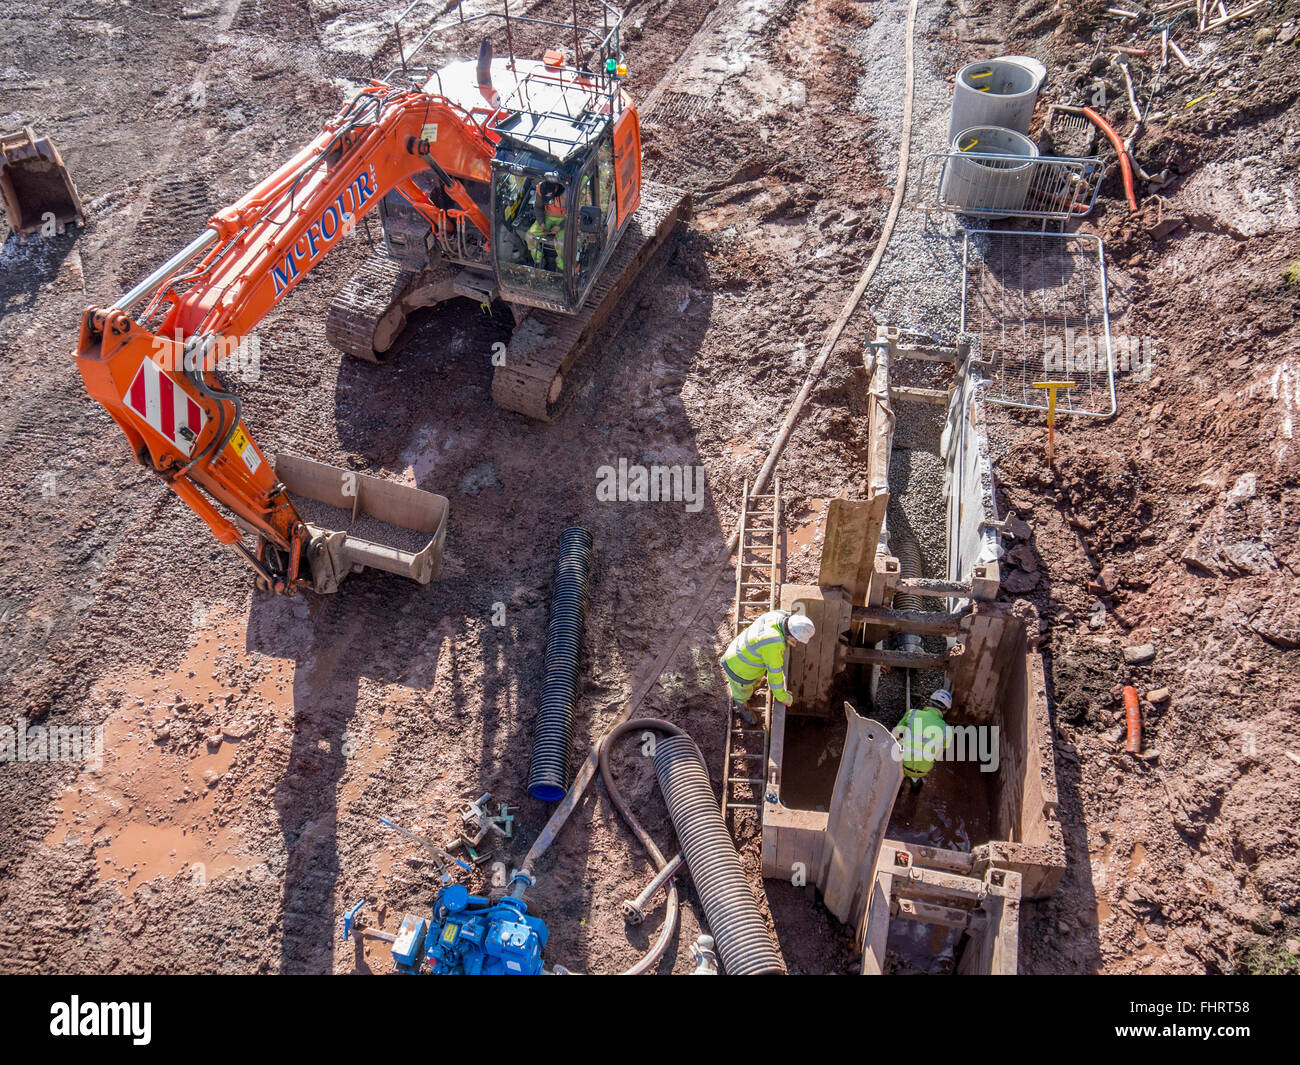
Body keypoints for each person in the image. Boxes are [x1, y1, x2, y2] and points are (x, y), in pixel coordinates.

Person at [721, 610, 815, 722]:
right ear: (791, 635)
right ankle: (742, 706)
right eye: (797, 639)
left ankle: (753, 687)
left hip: (738, 651)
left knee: (755, 681)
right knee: (742, 692)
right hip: (739, 669)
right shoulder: (774, 644)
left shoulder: (779, 615)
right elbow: (775, 675)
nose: (796, 642)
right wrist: (783, 697)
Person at [893, 689, 952, 793]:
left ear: (929, 702)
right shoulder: (947, 730)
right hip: (923, 770)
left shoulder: (912, 713)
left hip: (903, 765)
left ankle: (899, 787)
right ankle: (915, 787)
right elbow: (938, 757)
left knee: (899, 774)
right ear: (945, 710)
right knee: (916, 777)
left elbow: (894, 735)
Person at [525, 181, 566, 270]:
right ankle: (539, 262)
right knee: (530, 236)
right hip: (548, 216)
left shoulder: (569, 191)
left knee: (562, 243)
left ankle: (561, 268)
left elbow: (574, 214)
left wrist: (560, 226)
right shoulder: (540, 187)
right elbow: (538, 207)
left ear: (555, 188)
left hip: (565, 219)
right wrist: (541, 222)